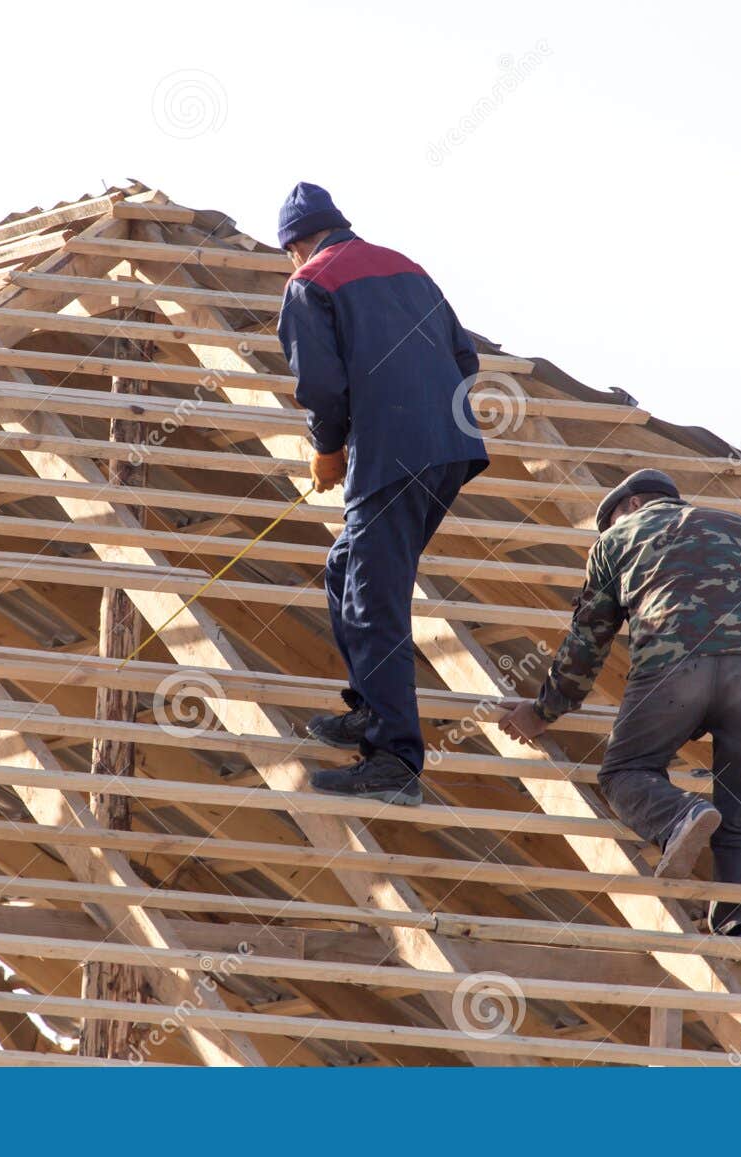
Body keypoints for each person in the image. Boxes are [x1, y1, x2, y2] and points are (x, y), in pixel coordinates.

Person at [499, 469, 741, 937]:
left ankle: (680, 816)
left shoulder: (617, 539)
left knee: (624, 773)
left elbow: (589, 638)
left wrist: (544, 709)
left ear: (628, 508)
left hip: (672, 664)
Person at [277, 181, 489, 807]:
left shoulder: (309, 283)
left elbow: (320, 384)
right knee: (346, 566)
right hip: (451, 450)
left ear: (294, 247)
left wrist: (328, 448)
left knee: (374, 601)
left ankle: (394, 758)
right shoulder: (407, 267)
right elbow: (465, 357)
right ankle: (369, 709)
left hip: (391, 457)